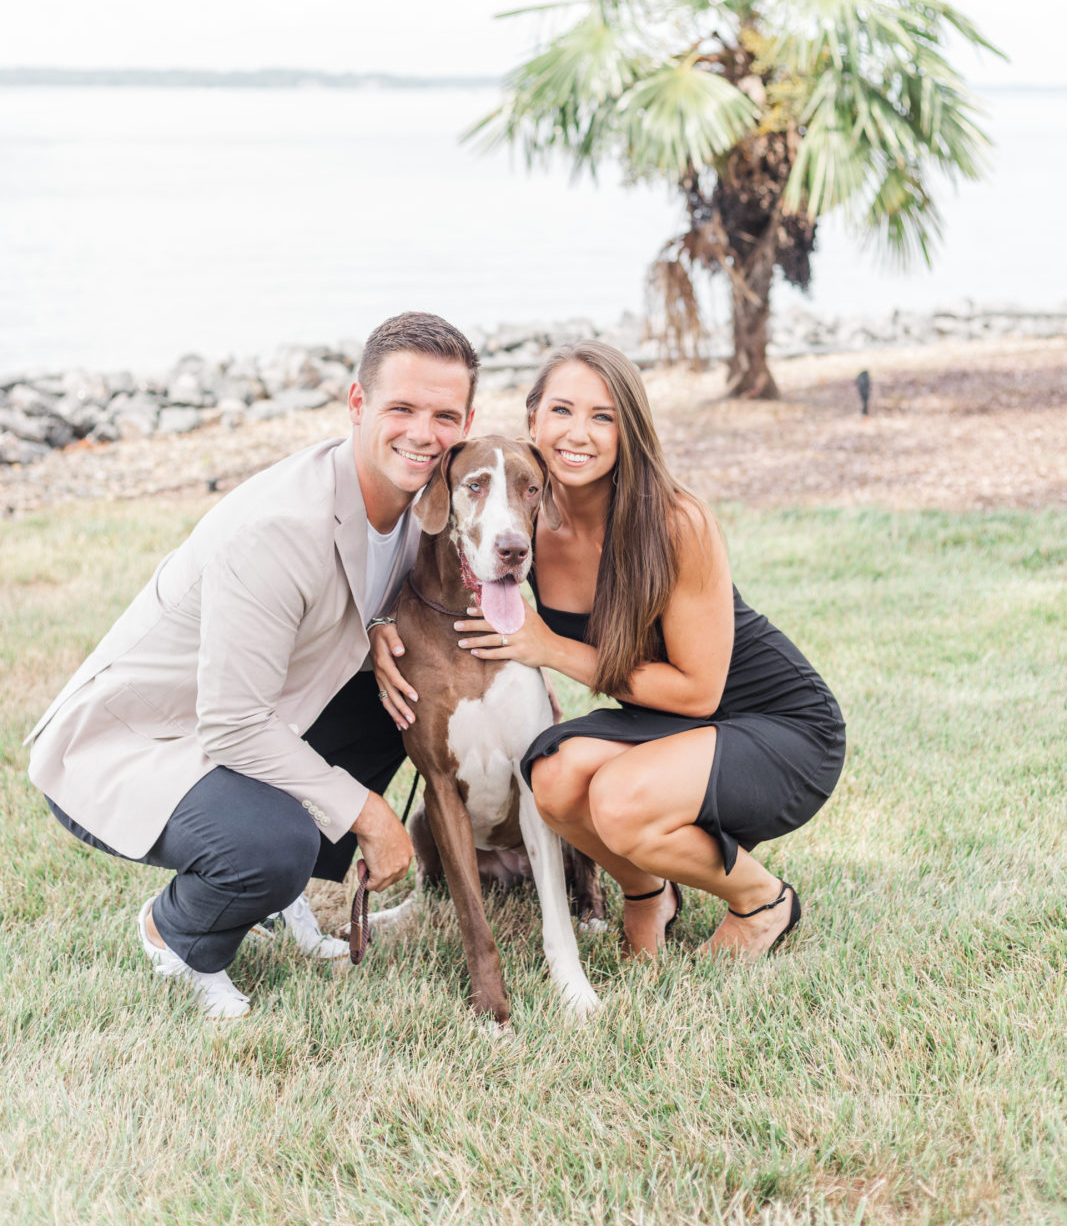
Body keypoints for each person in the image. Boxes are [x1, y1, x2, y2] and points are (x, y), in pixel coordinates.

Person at [25, 312, 478, 1018]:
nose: (424, 433)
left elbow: (363, 597)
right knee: (272, 843)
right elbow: (233, 724)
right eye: (402, 408)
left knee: (404, 691)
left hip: (248, 715)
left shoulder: (424, 507)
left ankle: (283, 894)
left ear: (467, 421)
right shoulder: (280, 526)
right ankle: (176, 933)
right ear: (357, 406)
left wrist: (384, 631)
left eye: (444, 415)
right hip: (138, 741)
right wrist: (366, 812)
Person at [411, 340, 845, 959]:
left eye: (603, 416)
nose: (577, 434)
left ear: (629, 431)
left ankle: (763, 900)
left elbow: (699, 692)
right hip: (664, 723)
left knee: (615, 800)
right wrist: (379, 630)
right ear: (532, 419)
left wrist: (549, 647)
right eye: (561, 411)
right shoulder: (528, 523)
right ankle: (649, 894)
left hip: (774, 726)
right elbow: (426, 567)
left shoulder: (676, 521)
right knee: (552, 779)